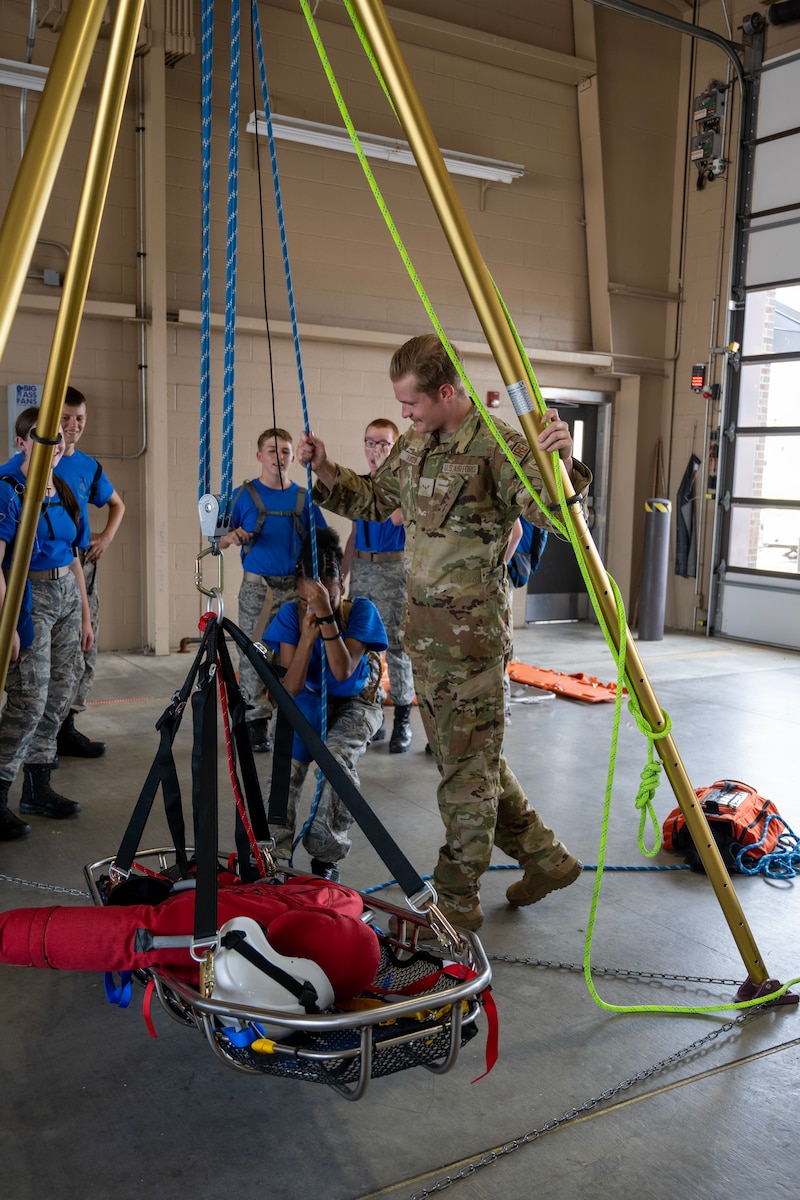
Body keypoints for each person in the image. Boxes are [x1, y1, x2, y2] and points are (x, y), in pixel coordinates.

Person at [297, 334, 592, 931]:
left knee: (465, 773)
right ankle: (544, 856)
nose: (405, 414)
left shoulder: (499, 447)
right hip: (425, 638)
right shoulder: (416, 446)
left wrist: (559, 462)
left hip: (471, 644)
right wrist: (325, 467)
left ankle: (456, 901)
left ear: (447, 392)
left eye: (412, 404)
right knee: (472, 761)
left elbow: (554, 516)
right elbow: (374, 499)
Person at [263, 528, 386, 881]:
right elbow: (291, 686)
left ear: (341, 585)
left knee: (336, 764)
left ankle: (324, 853)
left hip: (353, 703)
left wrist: (328, 620)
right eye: (306, 601)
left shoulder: (361, 612)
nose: (312, 607)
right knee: (284, 769)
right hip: (306, 698)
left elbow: (344, 672)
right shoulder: (290, 616)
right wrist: (306, 637)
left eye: (323, 598)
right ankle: (277, 854)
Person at [0, 407, 93, 840]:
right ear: (22, 443)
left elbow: (75, 555)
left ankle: (38, 787)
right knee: (28, 700)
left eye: (56, 439)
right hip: (28, 598)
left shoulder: (66, 489)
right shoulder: (9, 488)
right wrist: (9, 623)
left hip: (67, 598)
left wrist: (86, 616)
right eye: (41, 438)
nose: (51, 447)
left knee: (59, 695)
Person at [220, 427, 328, 754]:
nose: (278, 457)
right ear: (259, 456)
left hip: (293, 590)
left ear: (293, 458)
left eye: (284, 451)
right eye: (271, 450)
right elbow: (216, 539)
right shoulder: (243, 496)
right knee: (253, 654)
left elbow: (322, 542)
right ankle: (255, 720)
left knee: (290, 655)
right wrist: (232, 537)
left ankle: (288, 715)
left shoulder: (303, 499)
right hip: (257, 590)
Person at [54, 386, 126, 759]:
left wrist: (105, 538)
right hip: (46, 570)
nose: (72, 425)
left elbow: (117, 505)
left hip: (82, 568)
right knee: (50, 655)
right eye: (66, 418)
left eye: (79, 419)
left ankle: (67, 727)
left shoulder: (87, 466)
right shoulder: (32, 465)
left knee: (84, 647)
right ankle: (41, 733)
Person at [341, 418, 415, 753]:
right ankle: (375, 715)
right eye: (370, 443)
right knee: (364, 648)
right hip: (362, 570)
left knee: (398, 650)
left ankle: (402, 719)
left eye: (384, 443)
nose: (376, 450)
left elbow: (392, 517)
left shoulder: (405, 484)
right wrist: (341, 574)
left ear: (396, 447)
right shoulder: (361, 486)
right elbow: (355, 534)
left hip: (394, 572)